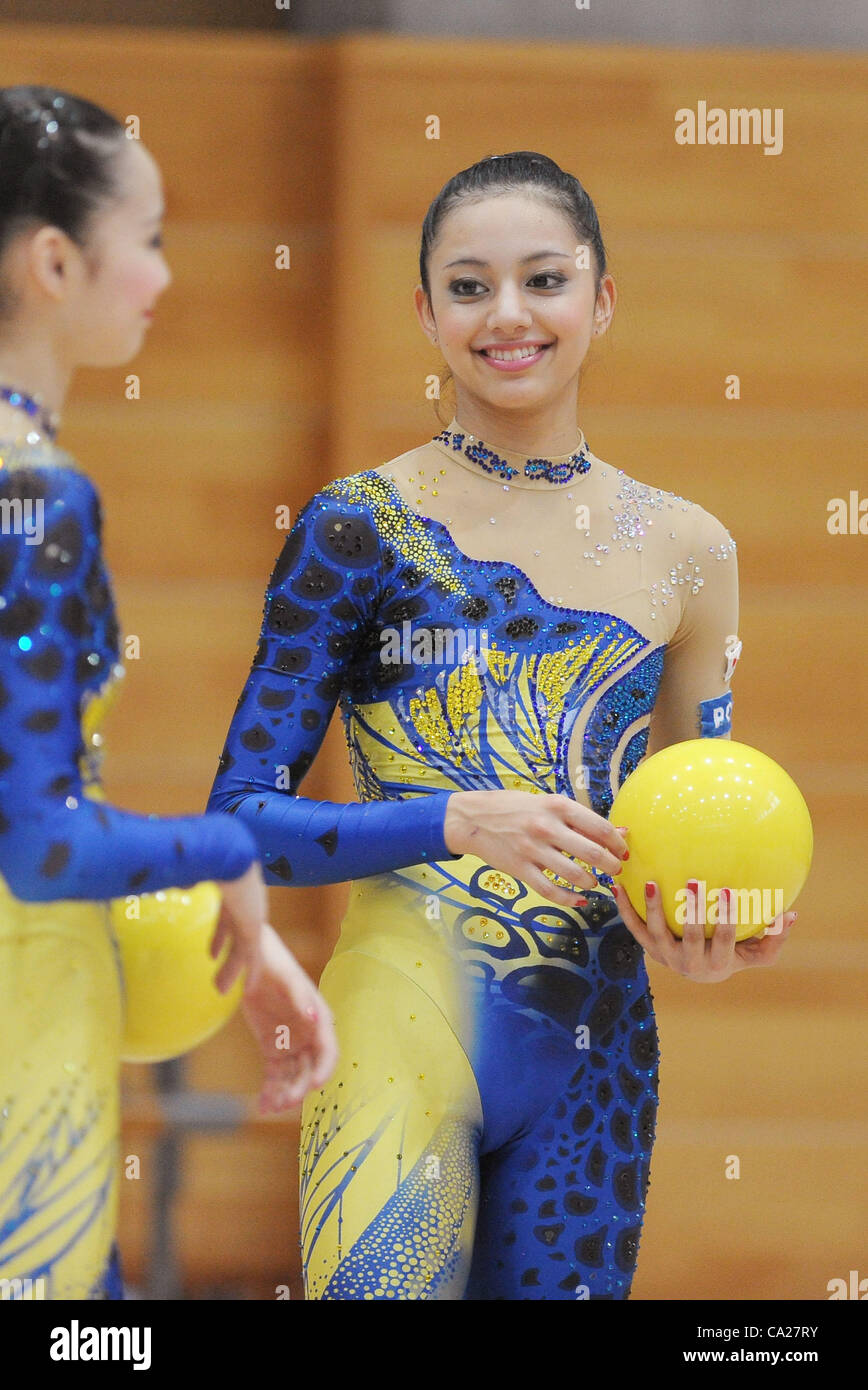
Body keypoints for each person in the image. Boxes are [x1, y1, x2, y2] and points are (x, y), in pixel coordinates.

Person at [207, 151, 796, 1301]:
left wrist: (704, 930)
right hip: (396, 1033)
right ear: (425, 312)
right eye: (469, 287)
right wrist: (454, 818)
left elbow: (694, 827)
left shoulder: (691, 550)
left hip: (595, 1055)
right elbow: (241, 822)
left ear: (602, 300)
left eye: (544, 279)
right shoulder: (358, 529)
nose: (508, 315)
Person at [0, 86, 337, 1301]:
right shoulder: (33, 495)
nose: (160, 278)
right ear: (52, 260)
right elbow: (37, 841)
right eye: (146, 240)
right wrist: (225, 851)